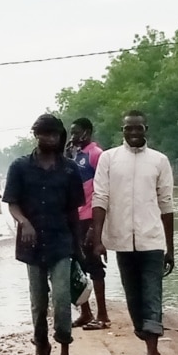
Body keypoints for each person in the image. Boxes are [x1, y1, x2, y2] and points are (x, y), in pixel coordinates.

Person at [91, 110, 175, 355]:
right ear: (123, 131)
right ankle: (146, 339)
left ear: (146, 129)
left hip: (152, 241)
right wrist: (98, 239)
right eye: (129, 129)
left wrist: (170, 247)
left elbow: (167, 205)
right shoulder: (109, 159)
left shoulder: (159, 161)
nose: (134, 132)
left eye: (138, 128)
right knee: (133, 300)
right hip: (122, 242)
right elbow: (100, 199)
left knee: (152, 295)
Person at [4, 113, 85, 355]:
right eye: (44, 134)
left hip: (61, 241)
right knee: (39, 301)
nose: (50, 139)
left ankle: (64, 353)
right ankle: (41, 345)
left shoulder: (70, 169)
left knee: (62, 298)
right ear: (36, 135)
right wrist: (23, 223)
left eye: (54, 135)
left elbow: (74, 211)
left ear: (60, 136)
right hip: (32, 244)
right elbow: (12, 203)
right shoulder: (19, 167)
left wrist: (79, 247)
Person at [69, 117, 110, 330]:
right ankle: (85, 312)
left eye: (75, 133)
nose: (73, 137)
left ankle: (102, 315)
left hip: (89, 218)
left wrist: (96, 226)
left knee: (94, 265)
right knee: (76, 265)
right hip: (74, 218)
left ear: (86, 132)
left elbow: (103, 190)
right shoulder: (73, 156)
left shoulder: (96, 155)